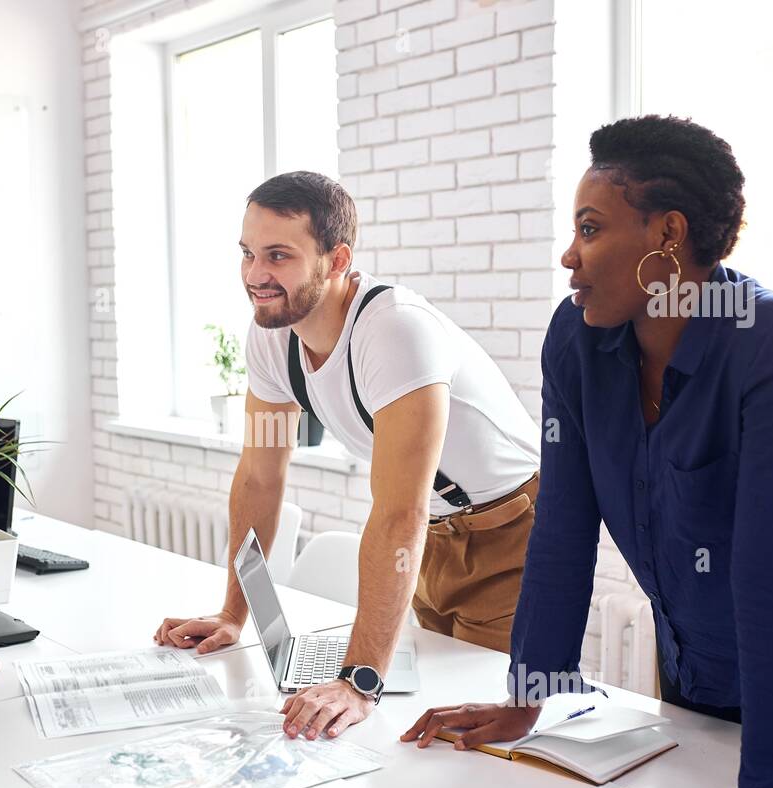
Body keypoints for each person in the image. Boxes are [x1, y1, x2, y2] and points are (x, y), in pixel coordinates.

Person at [402, 115, 773, 788]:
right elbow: (563, 527)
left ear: (668, 236)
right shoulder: (575, 340)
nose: (568, 255)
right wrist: (529, 694)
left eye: (591, 228)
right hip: (695, 627)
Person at [154, 171, 541, 740]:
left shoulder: (395, 332)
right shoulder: (272, 334)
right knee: (434, 718)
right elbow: (260, 478)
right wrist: (233, 615)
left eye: (279, 256)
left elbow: (396, 513)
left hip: (511, 532)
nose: (256, 276)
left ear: (337, 260)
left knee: (479, 730)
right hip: (433, 534)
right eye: (248, 254)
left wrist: (357, 681)